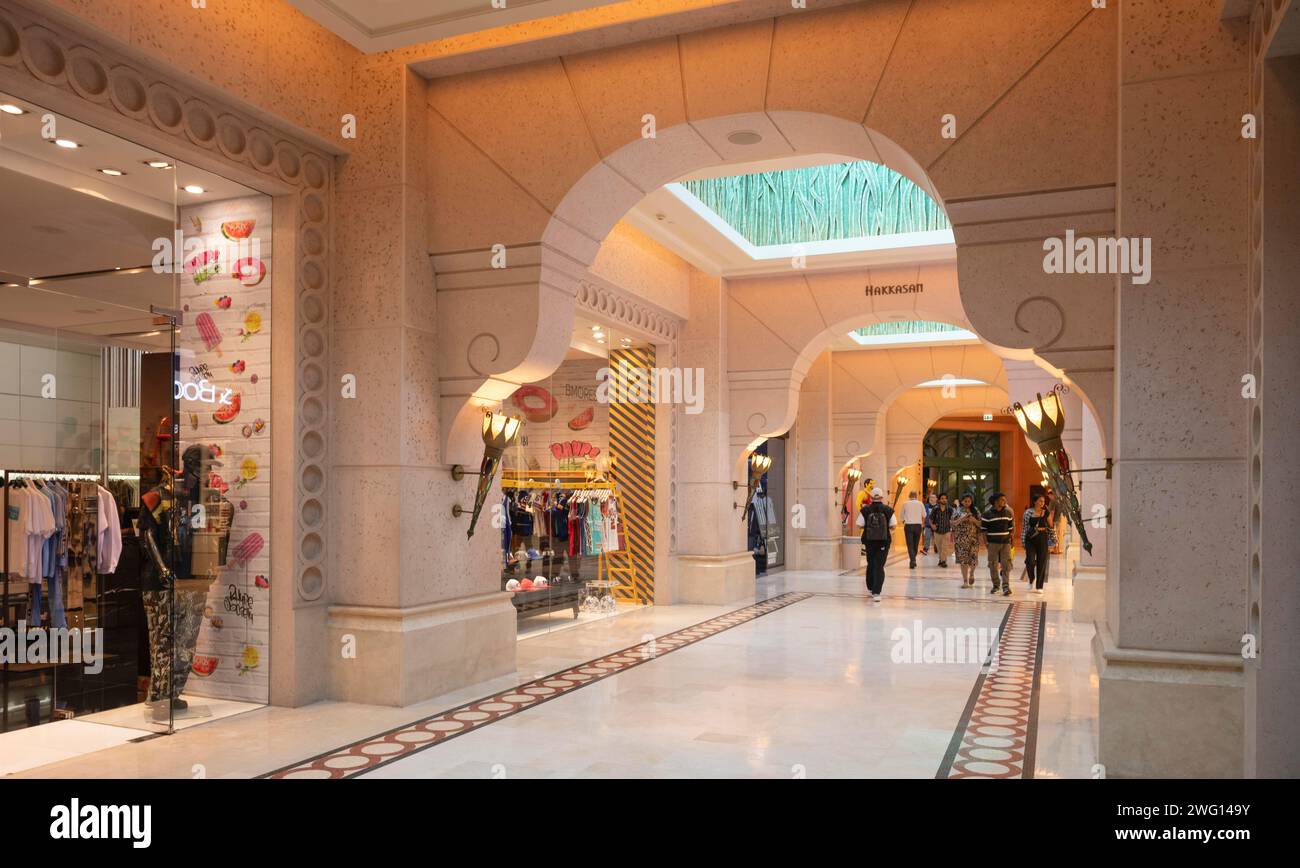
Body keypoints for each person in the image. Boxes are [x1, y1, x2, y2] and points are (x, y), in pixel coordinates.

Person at [856, 488, 897, 603]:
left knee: (871, 563)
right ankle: (876, 592)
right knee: (879, 565)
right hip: (883, 542)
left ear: (871, 497)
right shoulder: (888, 510)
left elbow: (859, 524)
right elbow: (894, 525)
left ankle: (870, 587)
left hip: (869, 541)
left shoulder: (865, 509)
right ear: (882, 497)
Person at [981, 491, 1015, 595]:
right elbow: (984, 531)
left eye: (1005, 499)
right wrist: (986, 543)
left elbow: (1011, 529)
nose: (1005, 501)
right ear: (996, 501)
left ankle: (1006, 587)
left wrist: (1012, 541)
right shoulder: (986, 514)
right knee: (993, 565)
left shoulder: (1008, 513)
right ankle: (996, 585)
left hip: (1006, 543)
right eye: (1002, 500)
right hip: (992, 543)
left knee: (1006, 565)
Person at [1021, 493, 1052, 594]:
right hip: (1030, 539)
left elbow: (1051, 526)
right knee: (1030, 561)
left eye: (1043, 501)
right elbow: (1025, 528)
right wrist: (1023, 541)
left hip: (1043, 538)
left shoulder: (1046, 512)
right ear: (1034, 502)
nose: (1042, 503)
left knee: (1042, 562)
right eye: (1040, 501)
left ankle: (1039, 586)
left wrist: (1053, 541)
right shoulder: (1028, 513)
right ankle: (1031, 578)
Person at [951, 492, 982, 588]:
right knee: (963, 561)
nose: (967, 503)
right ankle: (965, 581)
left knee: (973, 559)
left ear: (971, 501)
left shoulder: (975, 511)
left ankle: (971, 573)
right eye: (965, 501)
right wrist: (962, 518)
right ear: (962, 501)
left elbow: (980, 524)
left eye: (969, 501)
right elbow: (952, 523)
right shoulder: (957, 511)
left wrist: (973, 520)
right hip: (961, 540)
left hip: (973, 539)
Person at [898, 490, 927, 569]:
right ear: (916, 496)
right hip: (918, 526)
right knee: (916, 544)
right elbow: (924, 515)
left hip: (908, 526)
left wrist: (904, 521)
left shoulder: (905, 504)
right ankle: (913, 560)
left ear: (909, 496)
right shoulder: (920, 503)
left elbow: (901, 516)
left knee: (910, 544)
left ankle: (912, 560)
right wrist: (922, 523)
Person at [930, 492, 954, 568]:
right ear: (939, 500)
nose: (944, 500)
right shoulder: (935, 509)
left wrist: (952, 527)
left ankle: (943, 561)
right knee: (939, 547)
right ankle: (941, 560)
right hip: (937, 531)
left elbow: (953, 519)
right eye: (942, 498)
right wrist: (932, 526)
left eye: (945, 498)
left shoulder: (950, 509)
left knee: (945, 547)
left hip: (947, 530)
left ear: (947, 500)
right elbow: (930, 519)